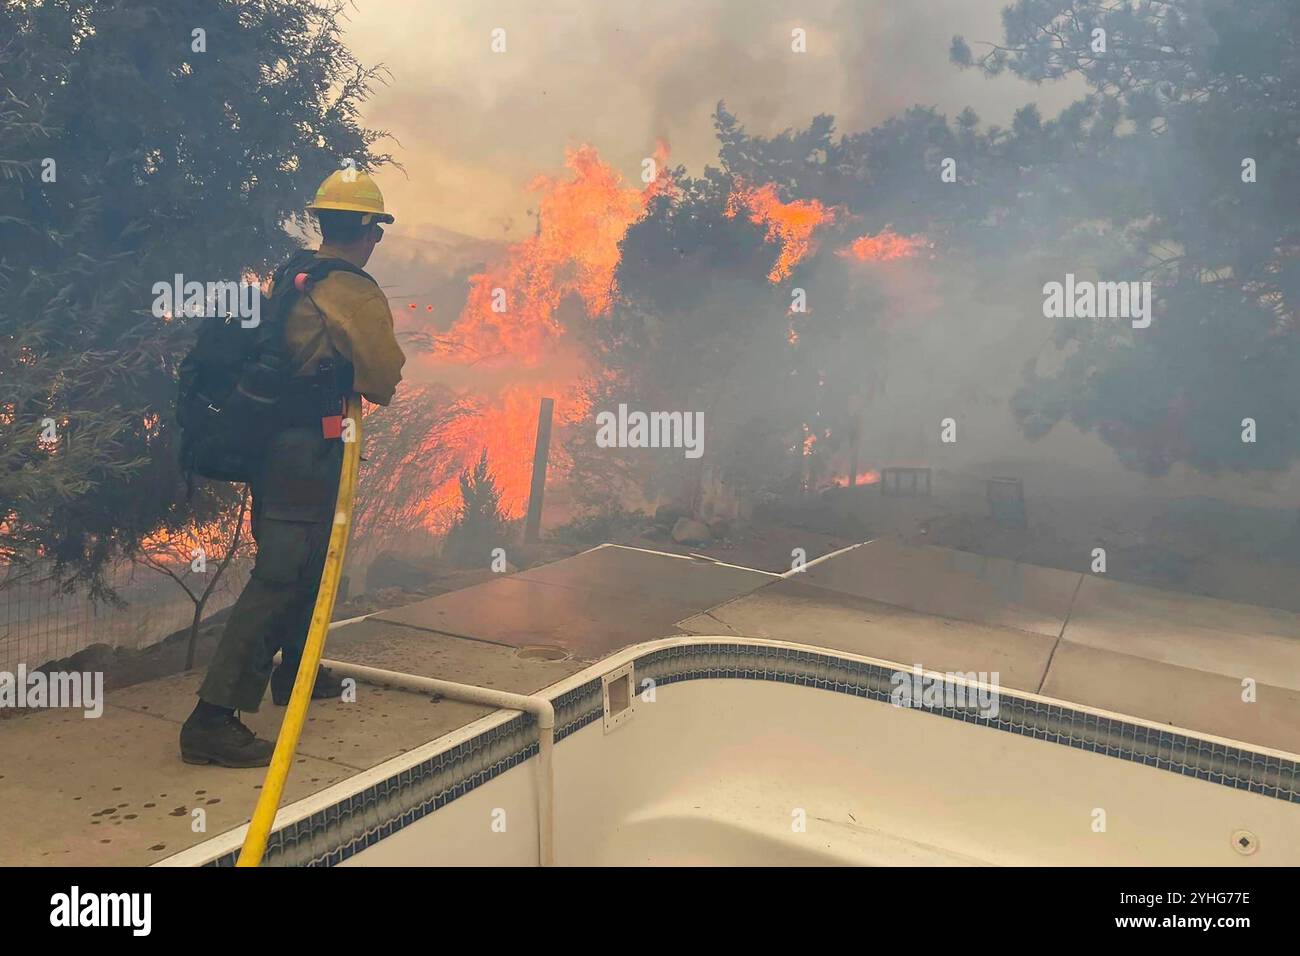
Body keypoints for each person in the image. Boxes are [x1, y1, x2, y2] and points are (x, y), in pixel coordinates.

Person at [180, 170, 406, 767]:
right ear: (365, 231)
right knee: (282, 571)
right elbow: (384, 378)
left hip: (276, 445)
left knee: (309, 563)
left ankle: (297, 672)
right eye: (376, 231)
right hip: (308, 450)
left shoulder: (294, 272)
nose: (376, 242)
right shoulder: (354, 291)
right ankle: (212, 718)